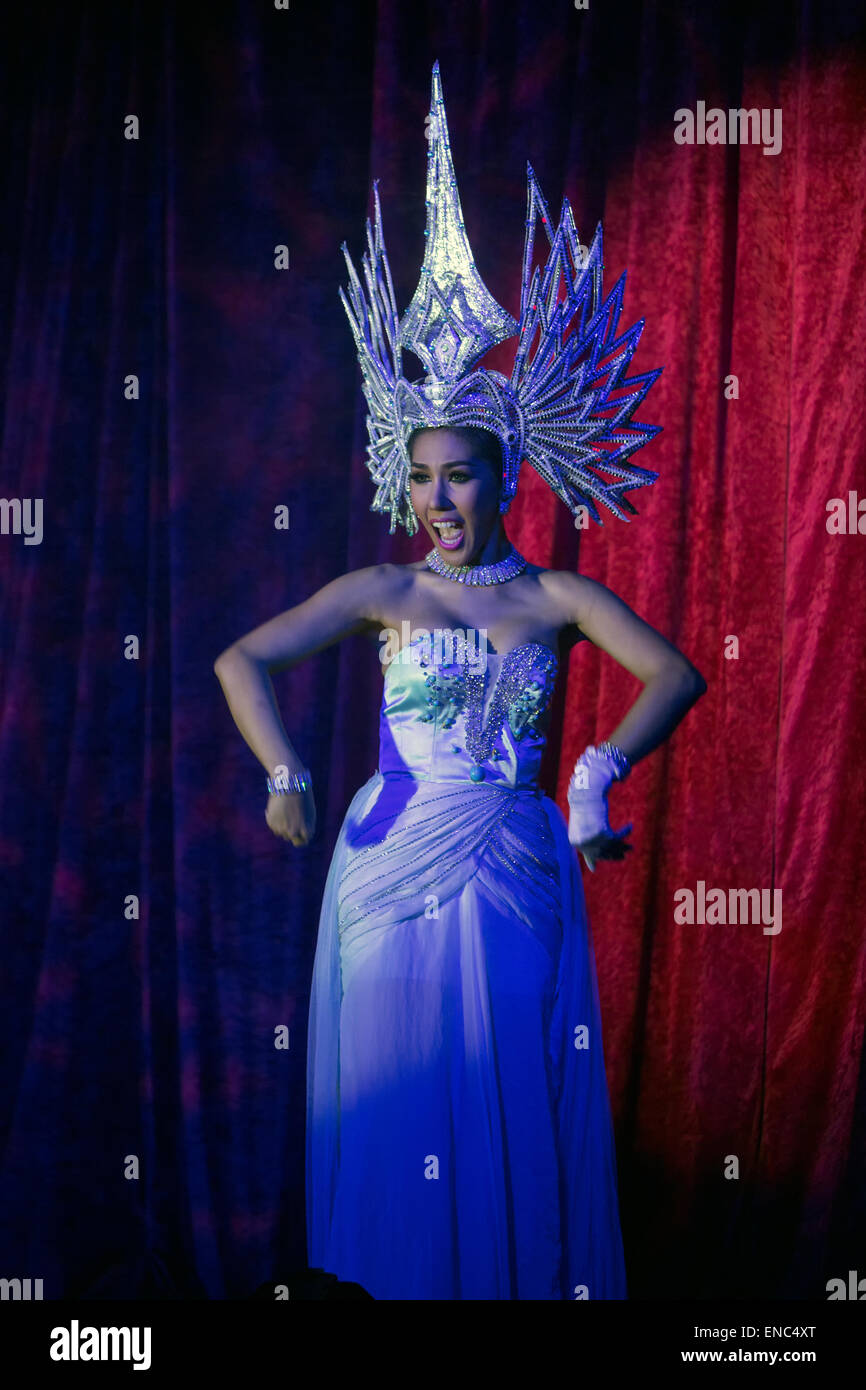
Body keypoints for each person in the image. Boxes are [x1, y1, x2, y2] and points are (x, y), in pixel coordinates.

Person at [214, 64, 706, 1299]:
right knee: (400, 1116)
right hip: (389, 871)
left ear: (504, 476)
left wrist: (594, 778)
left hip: (519, 872)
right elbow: (242, 659)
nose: (439, 501)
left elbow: (675, 672)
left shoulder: (555, 599)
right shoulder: (384, 590)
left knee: (505, 1107)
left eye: (462, 477)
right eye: (422, 477)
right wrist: (284, 775)